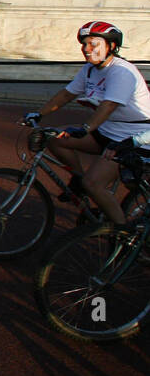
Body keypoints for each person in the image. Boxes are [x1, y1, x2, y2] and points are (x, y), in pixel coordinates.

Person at [24, 21, 150, 227]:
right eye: (84, 44)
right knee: (56, 139)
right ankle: (80, 182)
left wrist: (84, 129)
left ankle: (123, 234)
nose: (86, 49)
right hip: (108, 131)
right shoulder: (90, 70)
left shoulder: (121, 72)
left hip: (134, 137)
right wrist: (38, 114)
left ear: (110, 46)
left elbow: (108, 106)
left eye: (93, 43)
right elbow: (67, 94)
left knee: (94, 183)